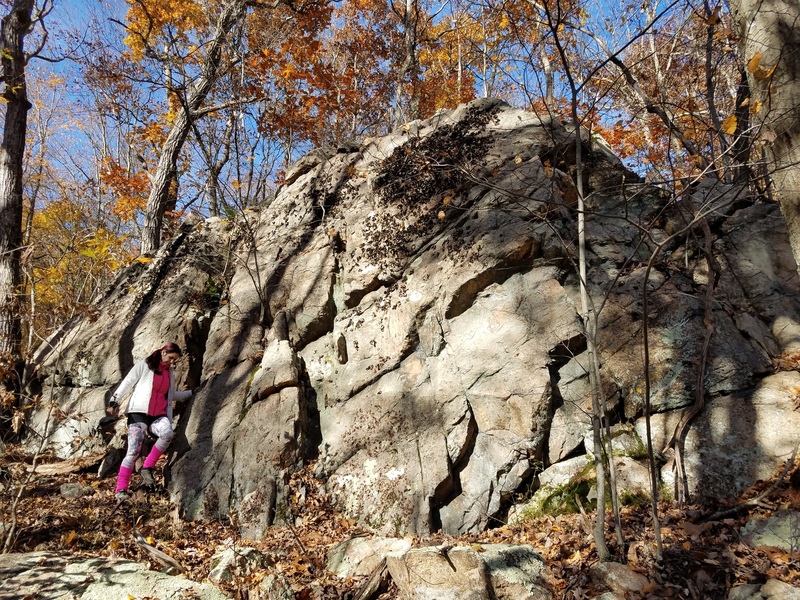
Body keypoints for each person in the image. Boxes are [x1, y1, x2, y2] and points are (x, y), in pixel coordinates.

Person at [106, 342, 193, 501]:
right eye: (171, 358)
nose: (172, 362)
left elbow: (171, 395)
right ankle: (121, 490)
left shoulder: (169, 373)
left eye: (175, 360)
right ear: (163, 352)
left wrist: (191, 393)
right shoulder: (144, 365)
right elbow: (128, 382)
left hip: (158, 415)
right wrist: (114, 402)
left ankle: (147, 467)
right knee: (133, 451)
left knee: (167, 434)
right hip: (138, 413)